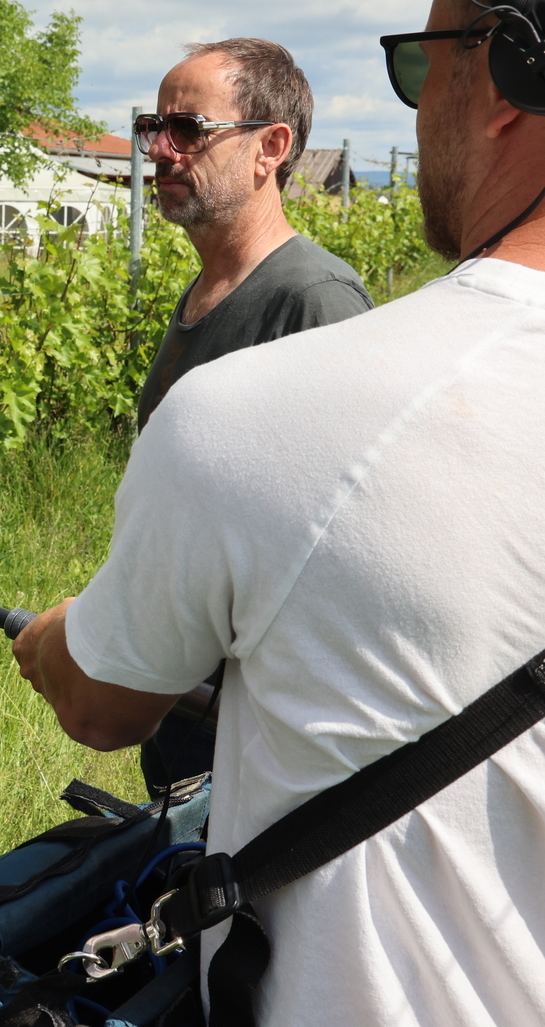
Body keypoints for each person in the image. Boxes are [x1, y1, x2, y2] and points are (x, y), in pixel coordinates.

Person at [13, 0, 545, 1024]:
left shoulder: (266, 409)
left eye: (424, 60)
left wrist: (59, 634)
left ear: (523, 64)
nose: (418, 107)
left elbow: (100, 704)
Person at [128, 39, 372, 792]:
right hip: (190, 706)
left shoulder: (312, 299)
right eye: (152, 127)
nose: (162, 151)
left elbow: (345, 536)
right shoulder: (209, 290)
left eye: (189, 130)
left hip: (260, 731)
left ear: (271, 148)